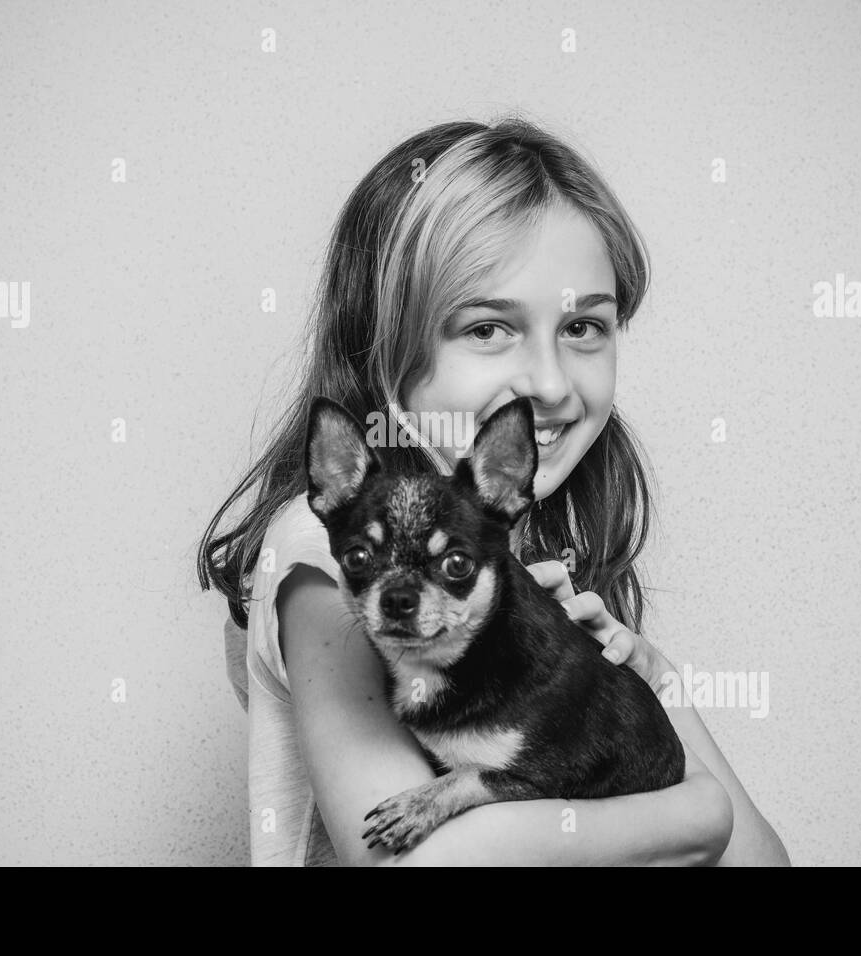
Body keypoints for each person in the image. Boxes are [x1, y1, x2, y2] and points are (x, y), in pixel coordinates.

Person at [199, 115, 790, 866]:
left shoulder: (500, 559)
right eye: (488, 329)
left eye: (583, 326)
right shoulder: (322, 553)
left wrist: (653, 684)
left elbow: (765, 865)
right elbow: (416, 865)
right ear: (386, 348)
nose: (548, 383)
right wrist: (696, 813)